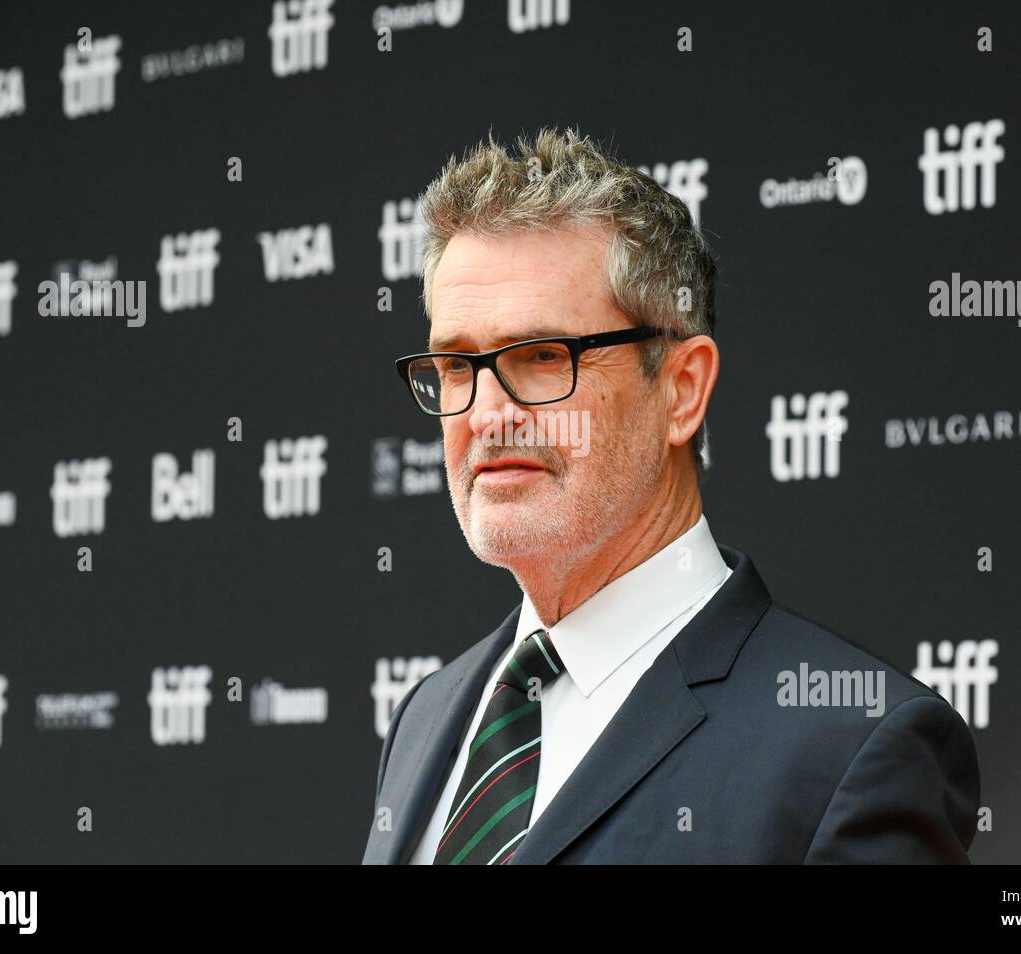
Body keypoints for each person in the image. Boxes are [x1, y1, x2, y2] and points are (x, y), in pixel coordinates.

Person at [364, 127, 979, 864]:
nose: (488, 414)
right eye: (458, 365)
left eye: (541, 357)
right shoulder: (428, 716)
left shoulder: (856, 750)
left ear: (681, 391)